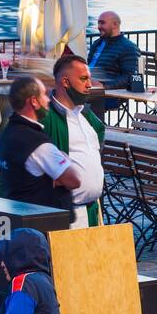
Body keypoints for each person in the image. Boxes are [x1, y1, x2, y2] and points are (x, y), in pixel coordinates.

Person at [0, 75, 80, 213]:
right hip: (45, 223)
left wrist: (51, 177)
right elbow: (74, 181)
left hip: (17, 215)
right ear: (34, 101)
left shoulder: (6, 133)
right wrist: (64, 158)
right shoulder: (38, 144)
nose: (48, 100)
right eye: (44, 95)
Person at [42, 53, 105, 227]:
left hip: (93, 211)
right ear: (65, 82)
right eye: (83, 79)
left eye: (89, 79)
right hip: (66, 216)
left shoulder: (87, 116)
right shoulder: (46, 119)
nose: (89, 85)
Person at [85, 11, 140, 90]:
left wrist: (105, 86)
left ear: (115, 24)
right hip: (89, 86)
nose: (99, 26)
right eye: (98, 23)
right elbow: (88, 64)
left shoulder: (128, 47)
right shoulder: (97, 43)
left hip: (107, 93)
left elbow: (130, 77)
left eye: (102, 23)